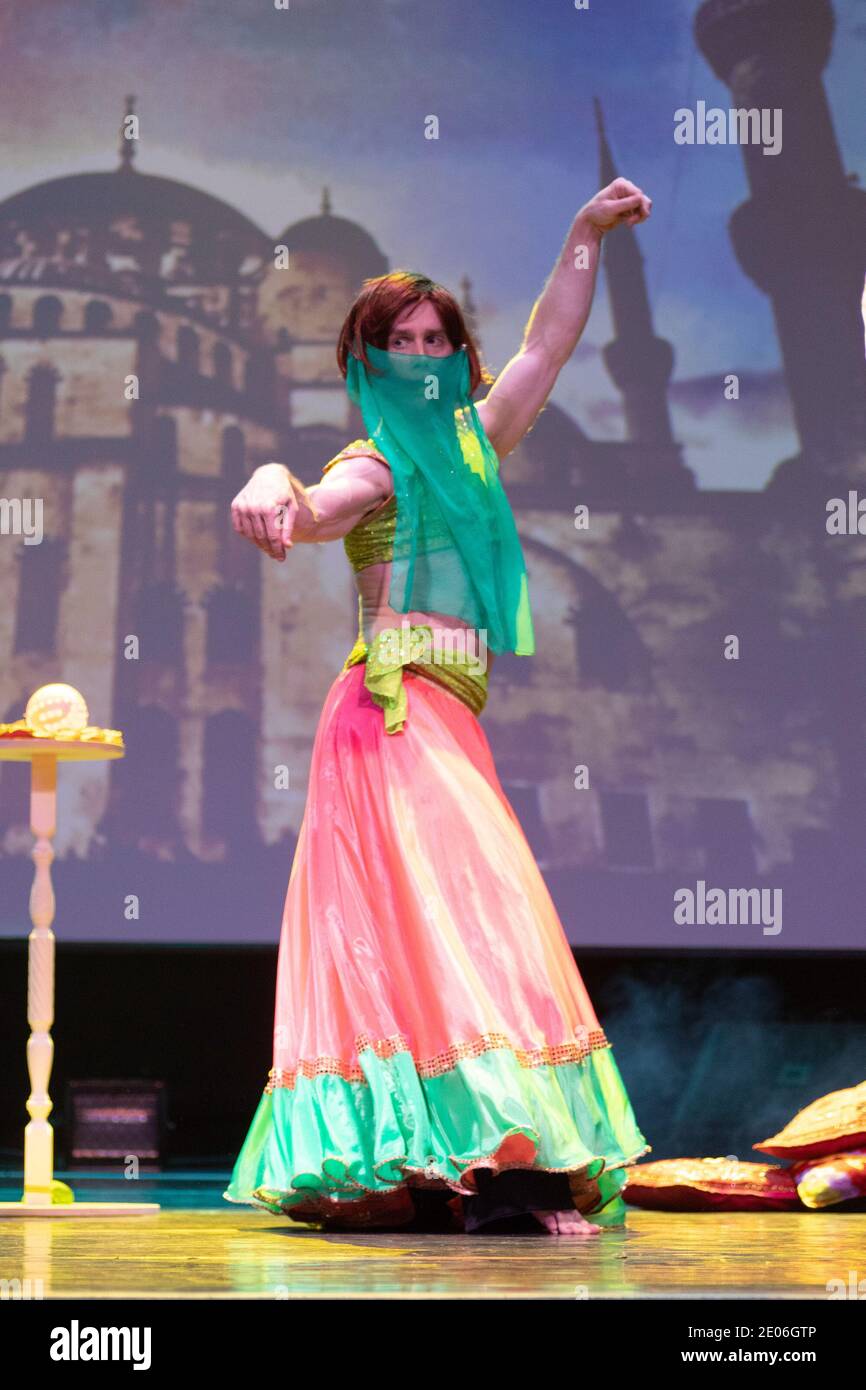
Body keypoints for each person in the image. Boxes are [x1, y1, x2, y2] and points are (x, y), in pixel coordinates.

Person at [224, 178, 653, 1235]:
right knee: (470, 925)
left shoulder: (476, 439)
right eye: (398, 341)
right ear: (370, 365)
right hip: (388, 717)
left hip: (450, 721)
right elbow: (316, 510)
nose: (421, 353)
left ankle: (449, 1169)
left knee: (444, 935)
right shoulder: (371, 463)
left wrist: (581, 234)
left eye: (436, 336)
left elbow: (549, 342)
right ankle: (500, 1175)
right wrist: (275, 477)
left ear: (458, 355)